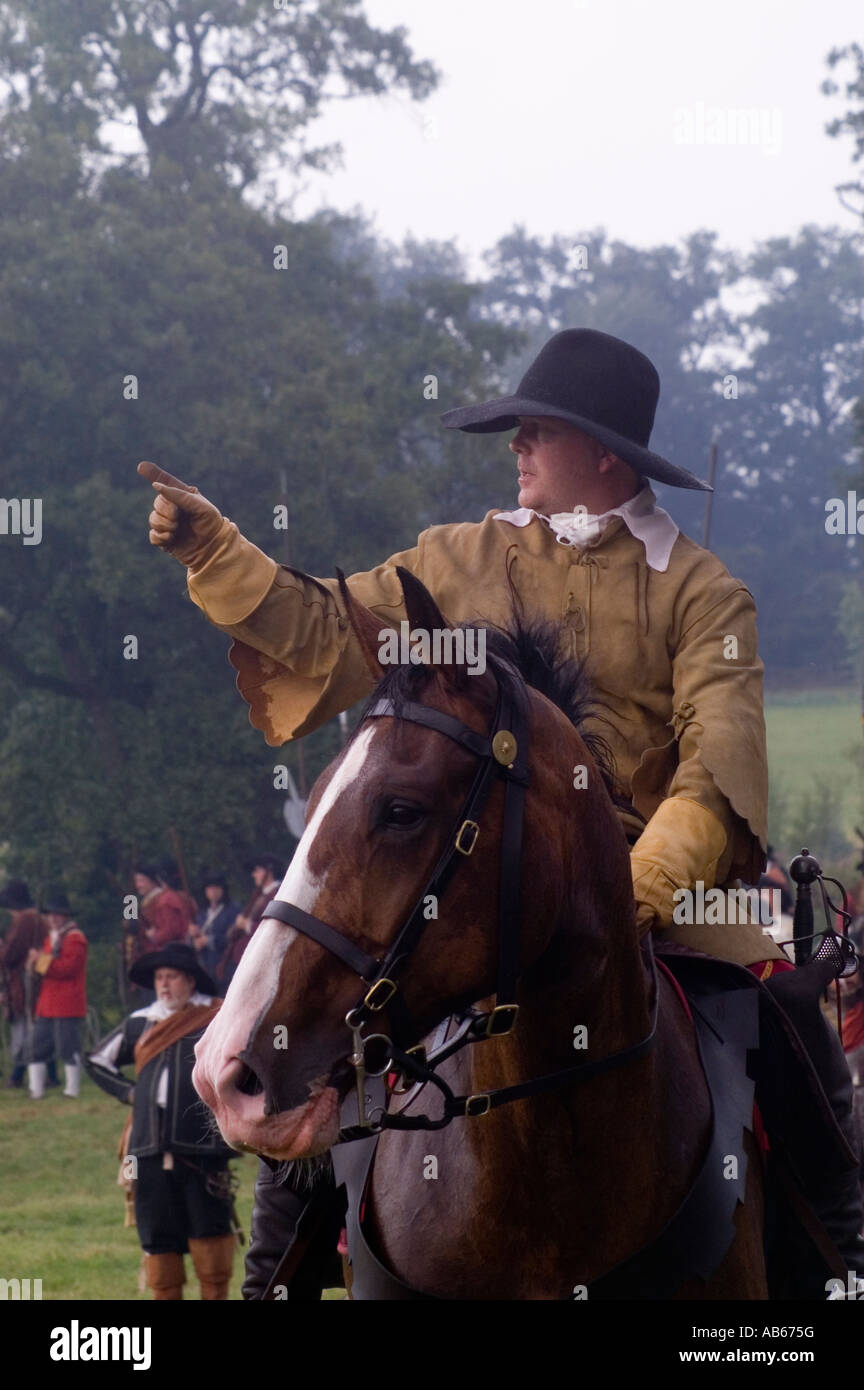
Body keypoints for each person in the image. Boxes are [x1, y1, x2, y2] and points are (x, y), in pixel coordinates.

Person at [138, 326, 863, 1287]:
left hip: (669, 903)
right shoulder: (457, 559)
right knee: (347, 1041)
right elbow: (328, 635)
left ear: (603, 451)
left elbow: (715, 784)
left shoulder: (704, 594)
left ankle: (836, 1257)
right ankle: (281, 1270)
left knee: (784, 1015)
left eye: (536, 429)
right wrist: (222, 556)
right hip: (481, 895)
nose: (516, 444)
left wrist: (626, 892)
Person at [84, 942, 239, 1300]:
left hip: (204, 1149)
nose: (164, 985)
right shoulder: (141, 1024)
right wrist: (129, 1094)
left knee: (212, 1248)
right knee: (158, 1243)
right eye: (159, 978)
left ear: (189, 980)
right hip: (147, 1152)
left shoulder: (216, 1018)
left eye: (171, 977)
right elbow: (96, 1061)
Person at [27, 891, 88, 1100]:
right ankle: (36, 1091)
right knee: (38, 1046)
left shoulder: (75, 939)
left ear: (66, 916)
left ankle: (72, 1090)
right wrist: (35, 963)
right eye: (50, 914)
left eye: (57, 914)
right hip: (48, 1001)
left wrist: (40, 960)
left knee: (68, 1047)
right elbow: (45, 969)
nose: (52, 918)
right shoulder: (51, 938)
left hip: (67, 1001)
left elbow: (67, 969)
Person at [0, 879, 46, 1088]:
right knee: (37, 1027)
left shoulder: (25, 919)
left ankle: (18, 1074)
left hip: (24, 980)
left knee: (26, 1028)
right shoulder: (39, 917)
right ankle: (47, 1074)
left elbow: (10, 955)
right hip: (37, 976)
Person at [217, 855, 282, 988]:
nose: (254, 875)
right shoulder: (260, 894)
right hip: (244, 957)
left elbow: (273, 925)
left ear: (268, 872)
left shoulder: (278, 893)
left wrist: (247, 925)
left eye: (257, 870)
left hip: (259, 958)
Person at [189, 874, 239, 992]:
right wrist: (192, 937)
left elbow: (234, 938)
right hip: (206, 966)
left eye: (216, 888)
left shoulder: (233, 910)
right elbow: (192, 941)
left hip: (226, 964)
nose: (213, 892)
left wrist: (208, 940)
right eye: (209, 888)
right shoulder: (202, 912)